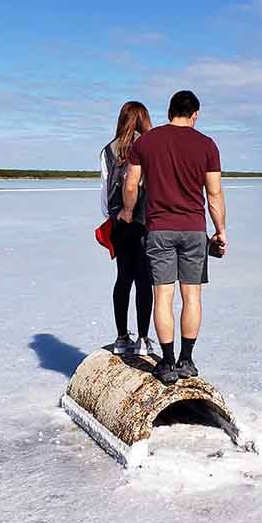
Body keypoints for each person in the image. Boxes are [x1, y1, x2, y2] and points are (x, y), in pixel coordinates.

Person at [118, 90, 227, 383]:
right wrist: (220, 230)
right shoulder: (207, 145)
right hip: (193, 230)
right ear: (195, 115)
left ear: (169, 112)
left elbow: (131, 184)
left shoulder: (146, 142)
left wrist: (128, 211)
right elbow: (214, 194)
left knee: (162, 296)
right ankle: (186, 361)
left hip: (159, 229)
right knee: (192, 296)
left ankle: (167, 364)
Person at [100, 101, 155, 356]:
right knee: (144, 279)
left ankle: (122, 338)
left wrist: (113, 215)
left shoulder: (108, 150)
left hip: (120, 222)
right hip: (144, 220)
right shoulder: (149, 147)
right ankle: (143, 338)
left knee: (123, 278)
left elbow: (104, 193)